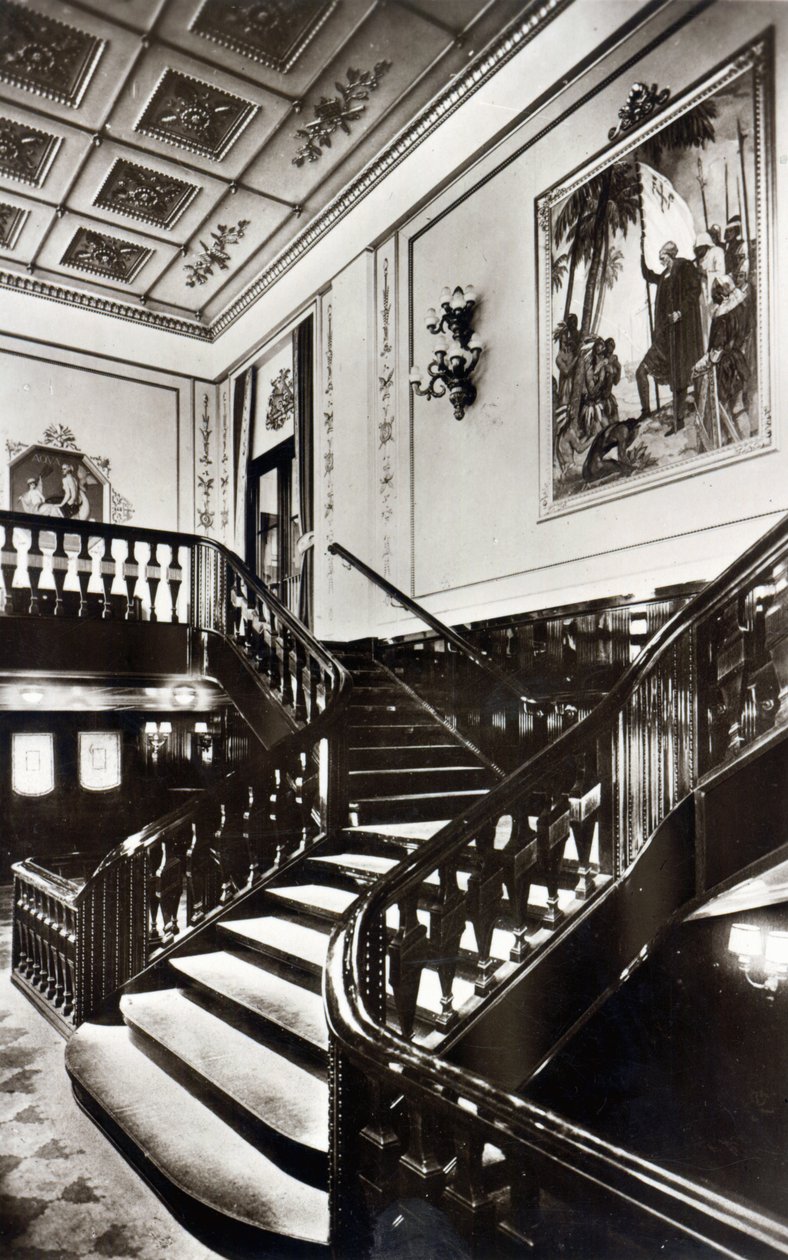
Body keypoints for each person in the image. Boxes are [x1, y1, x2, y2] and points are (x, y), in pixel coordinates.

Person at [636, 240, 704, 433]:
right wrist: (642, 254)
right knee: (643, 370)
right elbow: (649, 276)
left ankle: (679, 419)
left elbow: (694, 291)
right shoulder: (665, 274)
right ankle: (646, 412)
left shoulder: (684, 267)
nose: (660, 260)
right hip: (665, 334)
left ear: (671, 254)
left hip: (681, 331)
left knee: (680, 376)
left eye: (662, 256)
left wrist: (680, 312)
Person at [692, 275, 750, 423]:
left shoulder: (721, 315)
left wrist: (700, 365)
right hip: (739, 361)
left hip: (726, 367)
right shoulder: (742, 307)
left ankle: (729, 443)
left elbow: (716, 350)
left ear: (720, 294)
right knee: (738, 407)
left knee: (722, 410)